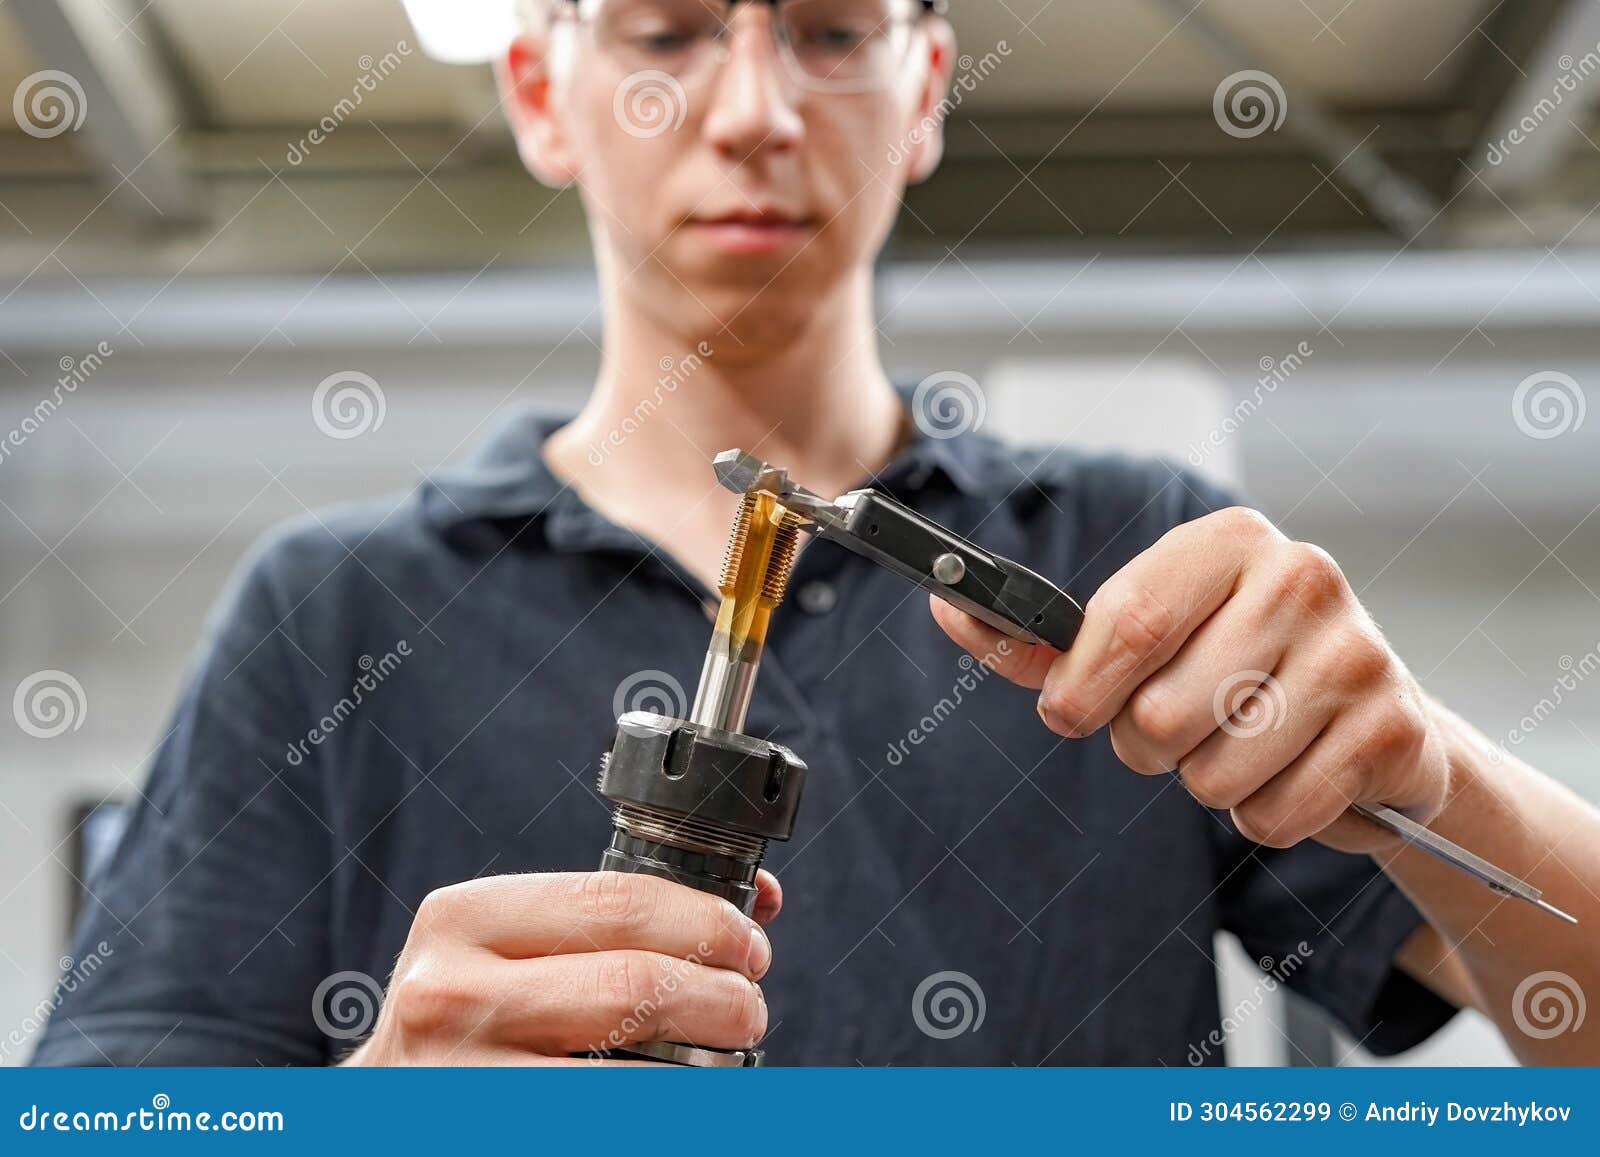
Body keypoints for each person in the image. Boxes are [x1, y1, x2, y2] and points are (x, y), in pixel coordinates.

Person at [32, 0, 1598, 1067]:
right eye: (666, 30)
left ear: (924, 91)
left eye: (835, 30)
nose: (758, 108)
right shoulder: (335, 613)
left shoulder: (1136, 568)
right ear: (538, 90)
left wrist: (1435, 781)